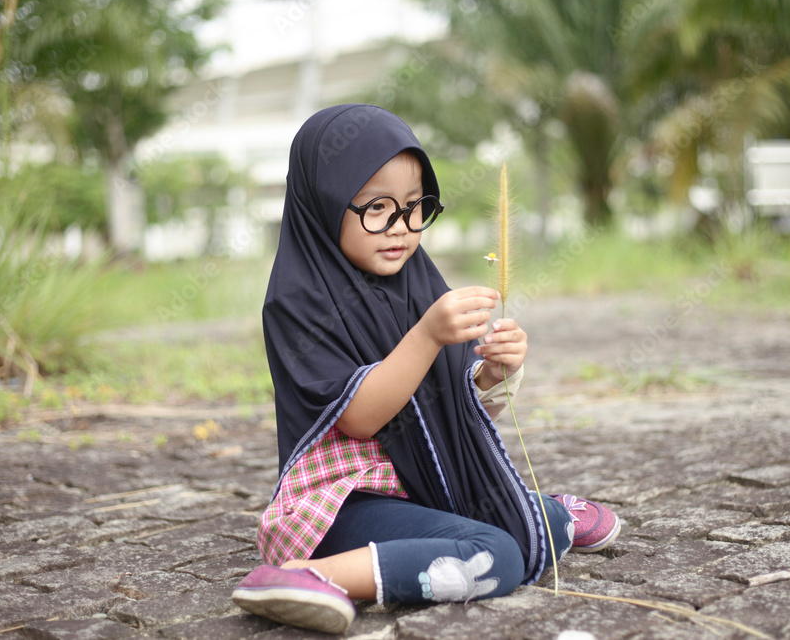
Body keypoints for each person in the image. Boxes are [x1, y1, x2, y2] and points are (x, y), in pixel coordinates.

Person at [231, 104, 620, 634]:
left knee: (536, 524)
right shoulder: (298, 302)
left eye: (415, 206)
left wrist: (491, 373)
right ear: (324, 204)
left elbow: (449, 407)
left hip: (416, 484)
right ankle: (306, 574)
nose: (401, 228)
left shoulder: (417, 284)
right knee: (497, 555)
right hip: (340, 505)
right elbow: (362, 418)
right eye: (376, 208)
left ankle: (548, 509)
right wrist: (428, 335)